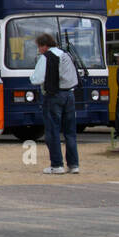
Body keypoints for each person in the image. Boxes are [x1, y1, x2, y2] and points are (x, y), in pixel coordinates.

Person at [30, 31, 79, 175]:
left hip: (53, 96)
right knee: (70, 132)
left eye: (39, 47)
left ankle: (57, 165)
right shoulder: (67, 55)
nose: (39, 50)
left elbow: (37, 79)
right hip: (70, 95)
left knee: (53, 131)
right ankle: (74, 164)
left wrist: (31, 77)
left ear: (44, 46)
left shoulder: (47, 57)